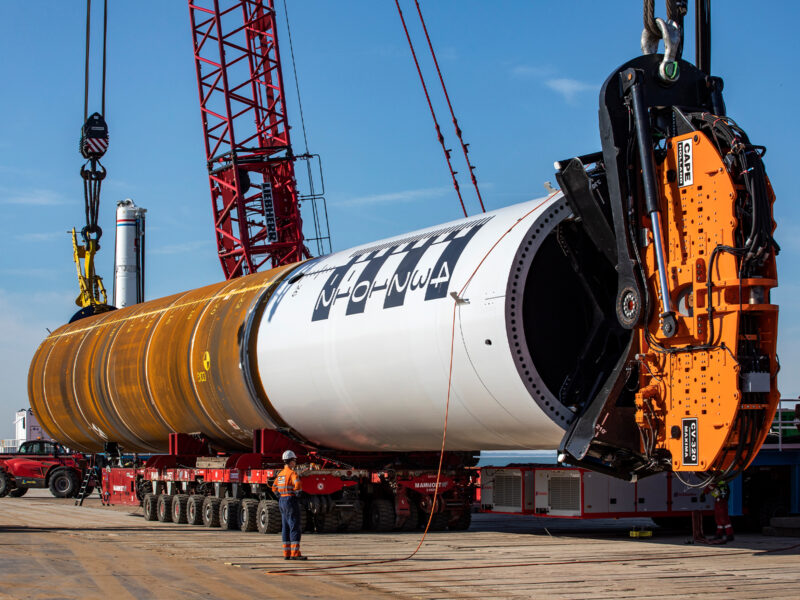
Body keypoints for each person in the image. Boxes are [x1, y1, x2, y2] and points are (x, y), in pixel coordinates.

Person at [272, 450, 308, 560]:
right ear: (291, 461)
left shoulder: (281, 474)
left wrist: (279, 494)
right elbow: (297, 484)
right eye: (294, 461)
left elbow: (274, 487)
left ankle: (286, 553)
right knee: (295, 526)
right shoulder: (292, 473)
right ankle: (295, 553)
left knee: (285, 527)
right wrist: (298, 492)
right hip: (290, 500)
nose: (295, 463)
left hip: (282, 500)